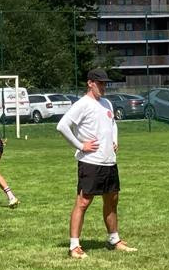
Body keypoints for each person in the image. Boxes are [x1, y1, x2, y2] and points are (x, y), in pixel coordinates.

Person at [56, 69, 136, 259]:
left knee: (112, 200)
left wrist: (115, 140)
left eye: (105, 84)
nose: (103, 87)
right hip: (91, 162)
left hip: (109, 161)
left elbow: (113, 124)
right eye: (100, 83)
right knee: (83, 202)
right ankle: (74, 246)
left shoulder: (106, 103)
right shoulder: (82, 104)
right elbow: (62, 126)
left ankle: (114, 239)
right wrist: (80, 145)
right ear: (90, 83)